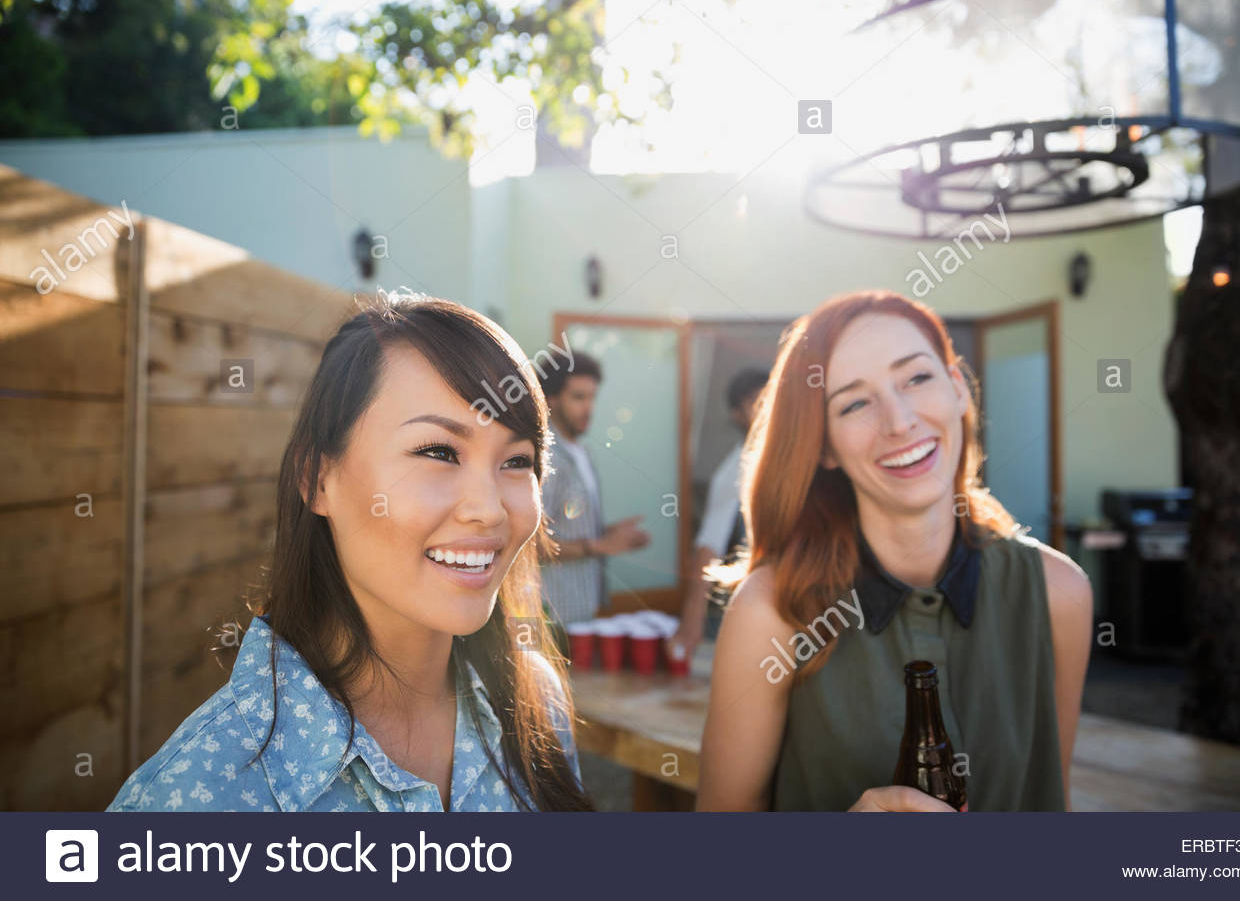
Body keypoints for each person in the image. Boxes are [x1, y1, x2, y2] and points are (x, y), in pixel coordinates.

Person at [108, 291, 592, 811]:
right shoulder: (191, 797)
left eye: (517, 460)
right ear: (317, 479)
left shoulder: (536, 704)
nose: (490, 510)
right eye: (438, 452)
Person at [697, 290, 1092, 812]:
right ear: (824, 446)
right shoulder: (771, 614)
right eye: (855, 402)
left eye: (917, 378)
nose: (900, 420)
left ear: (957, 390)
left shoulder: (1058, 594)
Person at [538, 351, 650, 626]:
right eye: (578, 397)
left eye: (592, 397)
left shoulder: (581, 452)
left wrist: (608, 534)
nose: (589, 408)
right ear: (551, 399)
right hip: (550, 617)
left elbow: (565, 525)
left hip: (582, 609)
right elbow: (531, 545)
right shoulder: (546, 456)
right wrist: (599, 545)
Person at [668, 367, 769, 662]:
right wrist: (691, 623)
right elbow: (708, 547)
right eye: (756, 402)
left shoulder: (807, 452)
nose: (767, 408)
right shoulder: (735, 472)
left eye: (771, 397)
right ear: (738, 414)